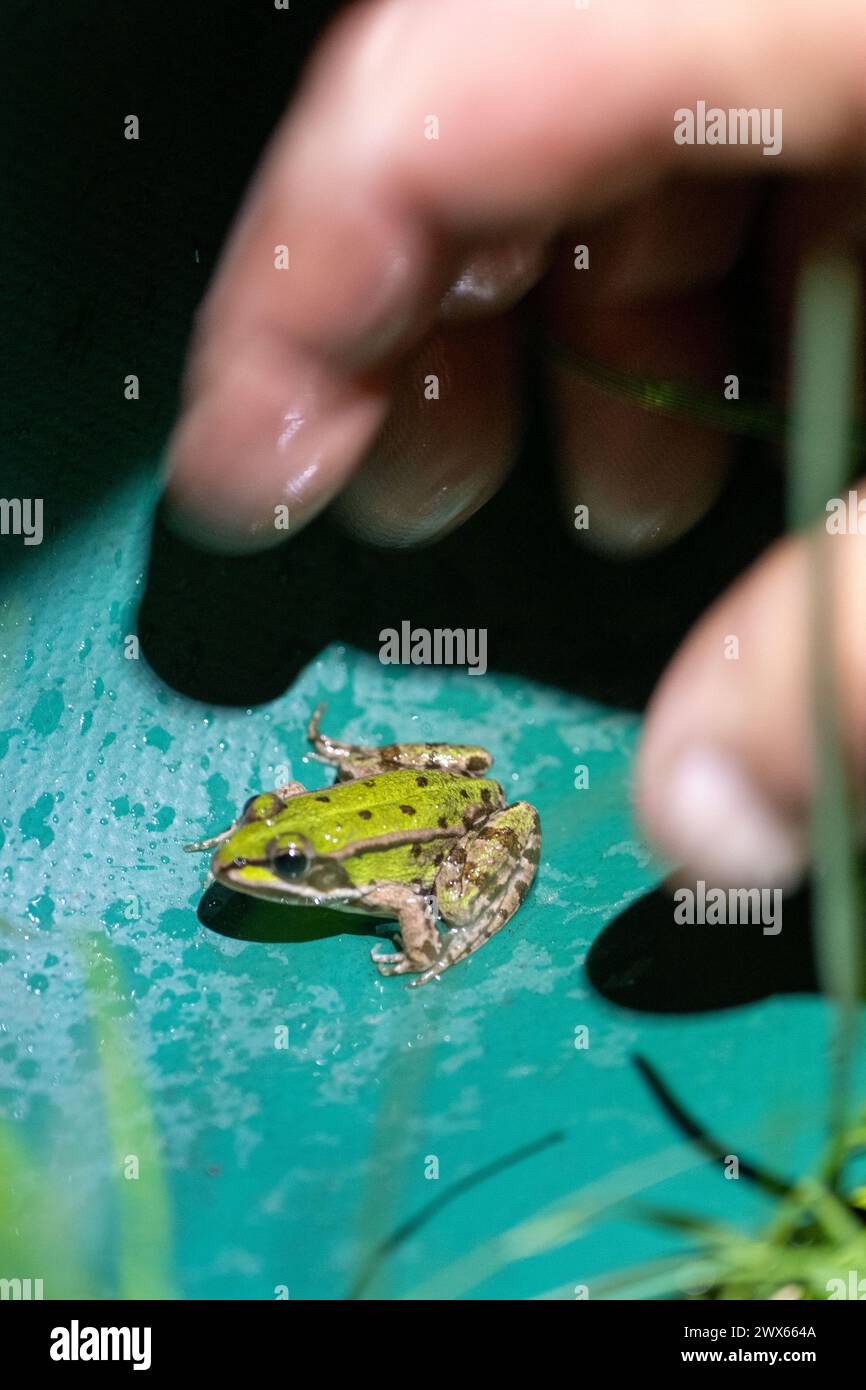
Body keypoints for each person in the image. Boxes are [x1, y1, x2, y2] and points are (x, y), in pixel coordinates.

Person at [164, 0, 866, 896]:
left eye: (286, 857)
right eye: (272, 836)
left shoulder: (370, 883)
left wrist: (431, 936)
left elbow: (413, 906)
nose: (256, 851)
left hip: (444, 833)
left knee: (464, 866)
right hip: (412, 796)